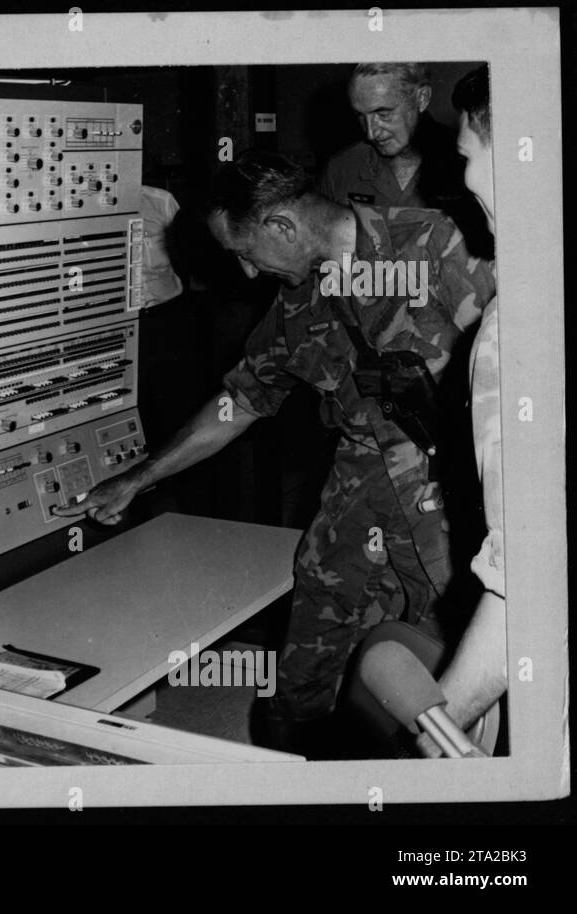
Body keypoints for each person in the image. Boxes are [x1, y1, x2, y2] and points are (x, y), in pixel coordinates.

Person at [54, 150, 496, 757]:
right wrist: (139, 477)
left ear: (283, 226)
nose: (247, 272)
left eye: (245, 252)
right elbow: (242, 402)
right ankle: (297, 764)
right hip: (362, 477)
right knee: (312, 626)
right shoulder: (297, 300)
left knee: (446, 654)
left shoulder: (435, 244)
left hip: (452, 482)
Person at [423, 64, 506, 754]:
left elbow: (527, 591)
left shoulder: (519, 329)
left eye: (468, 155)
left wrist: (439, 729)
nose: (465, 181)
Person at [321, 62, 490, 258]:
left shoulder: (470, 164)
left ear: (422, 98)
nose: (370, 133)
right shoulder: (341, 169)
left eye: (383, 114)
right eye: (360, 116)